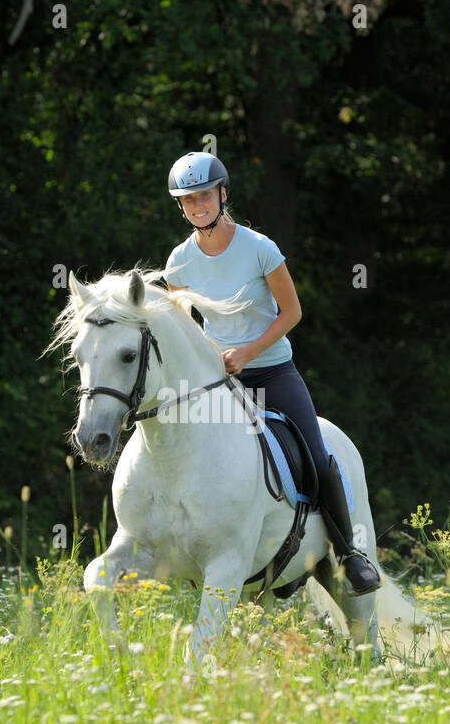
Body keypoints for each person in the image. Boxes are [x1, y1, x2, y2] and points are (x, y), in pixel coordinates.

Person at [161, 151, 380, 595]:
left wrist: (247, 351)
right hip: (218, 381)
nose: (197, 206)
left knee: (317, 458)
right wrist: (210, 359)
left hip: (271, 372)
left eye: (204, 196)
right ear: (180, 207)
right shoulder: (179, 263)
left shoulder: (259, 248)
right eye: (187, 200)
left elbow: (292, 311)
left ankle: (349, 554)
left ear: (222, 195)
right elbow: (184, 329)